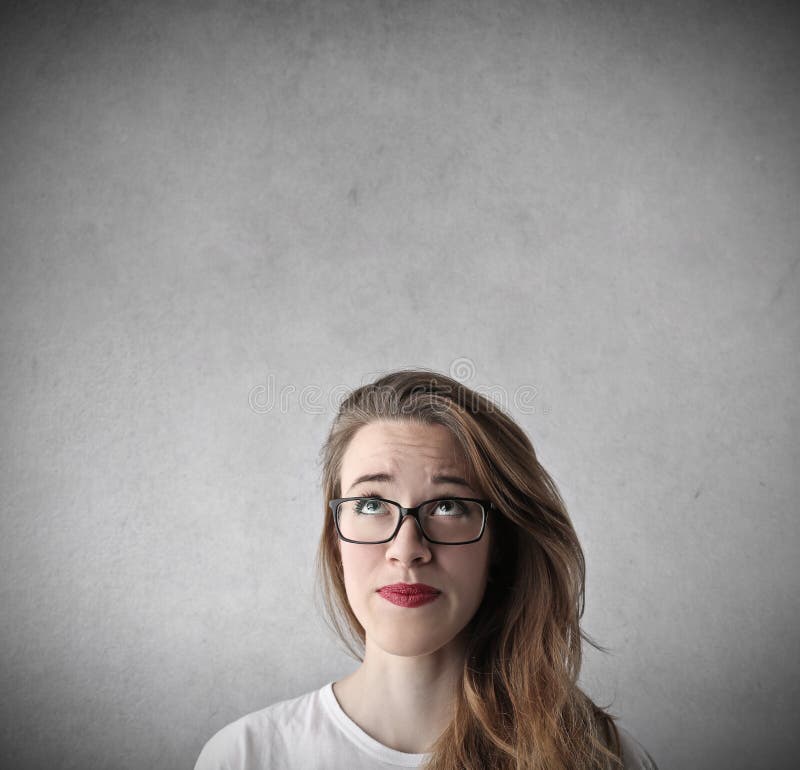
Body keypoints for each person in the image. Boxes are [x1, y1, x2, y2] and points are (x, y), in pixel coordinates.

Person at [194, 369, 658, 769]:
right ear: (335, 537)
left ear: (499, 544)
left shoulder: (598, 756)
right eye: (372, 503)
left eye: (449, 505)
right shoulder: (245, 757)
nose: (406, 548)